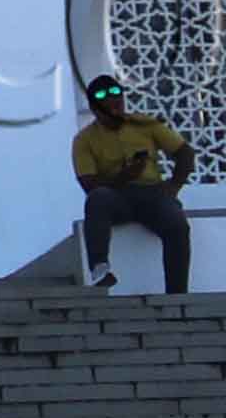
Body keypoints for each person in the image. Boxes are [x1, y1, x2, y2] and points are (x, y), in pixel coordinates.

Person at [70, 71, 196, 295]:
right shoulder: (84, 140)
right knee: (97, 199)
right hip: (117, 197)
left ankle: (178, 295)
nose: (117, 110)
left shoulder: (145, 125)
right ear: (95, 111)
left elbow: (185, 153)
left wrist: (174, 186)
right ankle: (100, 268)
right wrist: (124, 176)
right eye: (110, 109)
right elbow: (90, 186)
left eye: (119, 102)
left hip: (153, 195)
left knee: (177, 225)